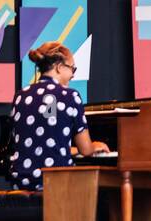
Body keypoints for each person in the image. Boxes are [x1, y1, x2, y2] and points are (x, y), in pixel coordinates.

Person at [8, 41, 109, 191]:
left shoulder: (21, 96)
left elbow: (42, 141)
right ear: (59, 67)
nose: (73, 75)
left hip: (21, 181)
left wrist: (70, 149)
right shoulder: (69, 96)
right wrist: (96, 145)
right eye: (72, 69)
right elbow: (85, 150)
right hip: (56, 183)